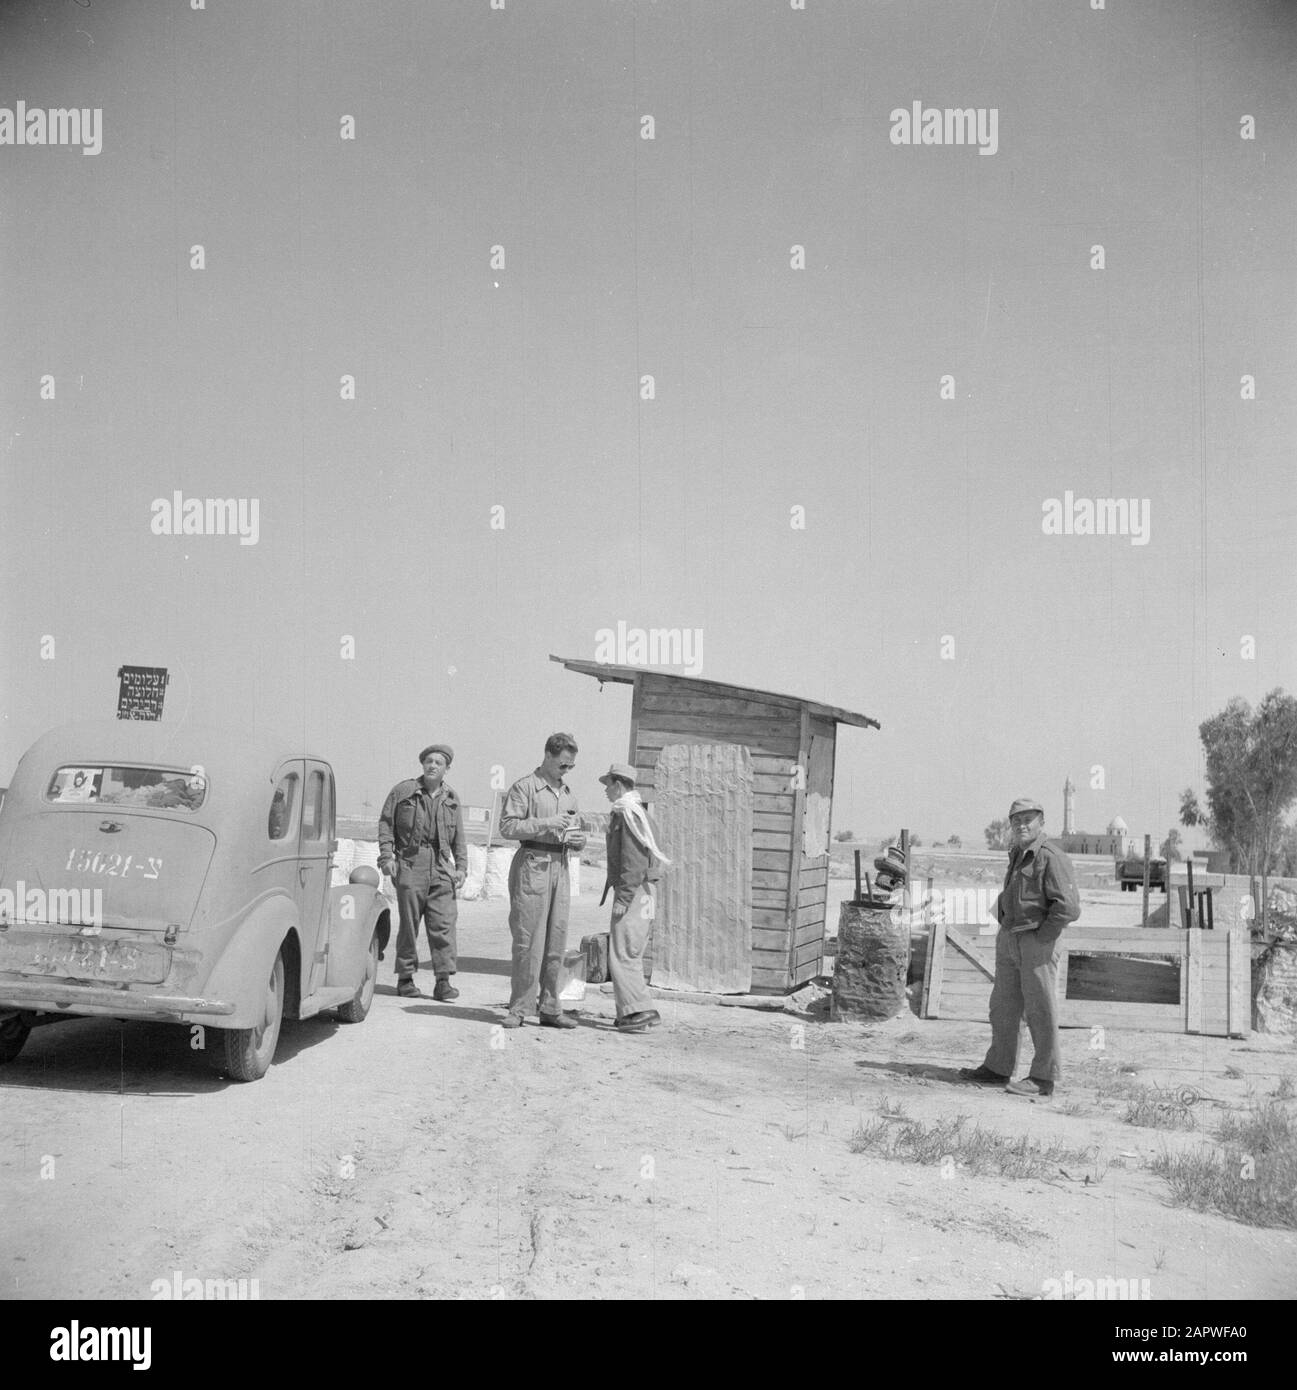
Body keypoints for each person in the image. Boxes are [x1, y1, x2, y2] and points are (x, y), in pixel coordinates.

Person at [959, 797, 1080, 1099]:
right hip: (1011, 937)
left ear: (1041, 822)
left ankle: (1044, 1077)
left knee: (1040, 1009)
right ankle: (998, 1067)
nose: (1022, 824)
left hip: (1036, 940)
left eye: (1028, 819)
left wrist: (1043, 937)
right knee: (1003, 1007)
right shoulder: (1017, 853)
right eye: (1016, 820)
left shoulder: (1051, 856)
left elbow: (1068, 907)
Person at [499, 733, 586, 1029]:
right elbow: (508, 827)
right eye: (563, 764)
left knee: (556, 941)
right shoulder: (525, 787)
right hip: (533, 864)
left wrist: (579, 840)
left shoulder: (569, 794)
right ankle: (520, 1008)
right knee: (528, 940)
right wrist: (547, 823)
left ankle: (550, 1007)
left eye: (571, 766)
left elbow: (575, 830)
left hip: (561, 867)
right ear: (548, 756)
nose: (566, 770)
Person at [378, 744, 467, 1001]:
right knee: (409, 925)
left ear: (446, 769)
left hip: (442, 867)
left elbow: (460, 836)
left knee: (444, 925)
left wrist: (461, 867)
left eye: (438, 762)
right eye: (429, 761)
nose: (432, 766)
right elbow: (386, 824)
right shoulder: (403, 791)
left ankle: (443, 982)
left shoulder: (452, 798)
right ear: (422, 764)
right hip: (410, 863)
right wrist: (387, 857)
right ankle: (405, 979)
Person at [598, 763, 669, 1033]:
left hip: (636, 892)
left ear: (618, 784)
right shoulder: (636, 812)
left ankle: (641, 1010)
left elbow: (633, 862)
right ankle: (628, 1011)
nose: (605, 790)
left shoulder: (628, 814)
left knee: (623, 952)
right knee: (630, 952)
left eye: (608, 784)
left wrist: (623, 898)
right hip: (644, 892)